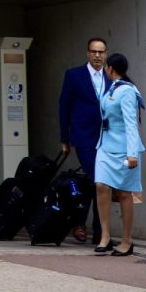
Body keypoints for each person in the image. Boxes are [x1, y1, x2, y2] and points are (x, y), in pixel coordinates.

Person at [92, 53, 143, 256]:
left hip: (124, 148)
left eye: (107, 66)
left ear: (111, 68)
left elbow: (131, 123)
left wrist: (133, 154)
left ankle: (127, 240)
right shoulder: (112, 88)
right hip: (105, 145)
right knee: (101, 185)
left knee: (124, 193)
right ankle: (105, 235)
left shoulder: (127, 90)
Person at [59, 37, 108, 243]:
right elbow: (64, 106)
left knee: (99, 183)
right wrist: (64, 138)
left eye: (101, 52)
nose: (97, 55)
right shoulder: (74, 75)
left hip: (107, 138)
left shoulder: (111, 76)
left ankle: (90, 227)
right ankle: (98, 232)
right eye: (94, 52)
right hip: (84, 137)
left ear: (105, 54)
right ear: (88, 53)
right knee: (99, 180)